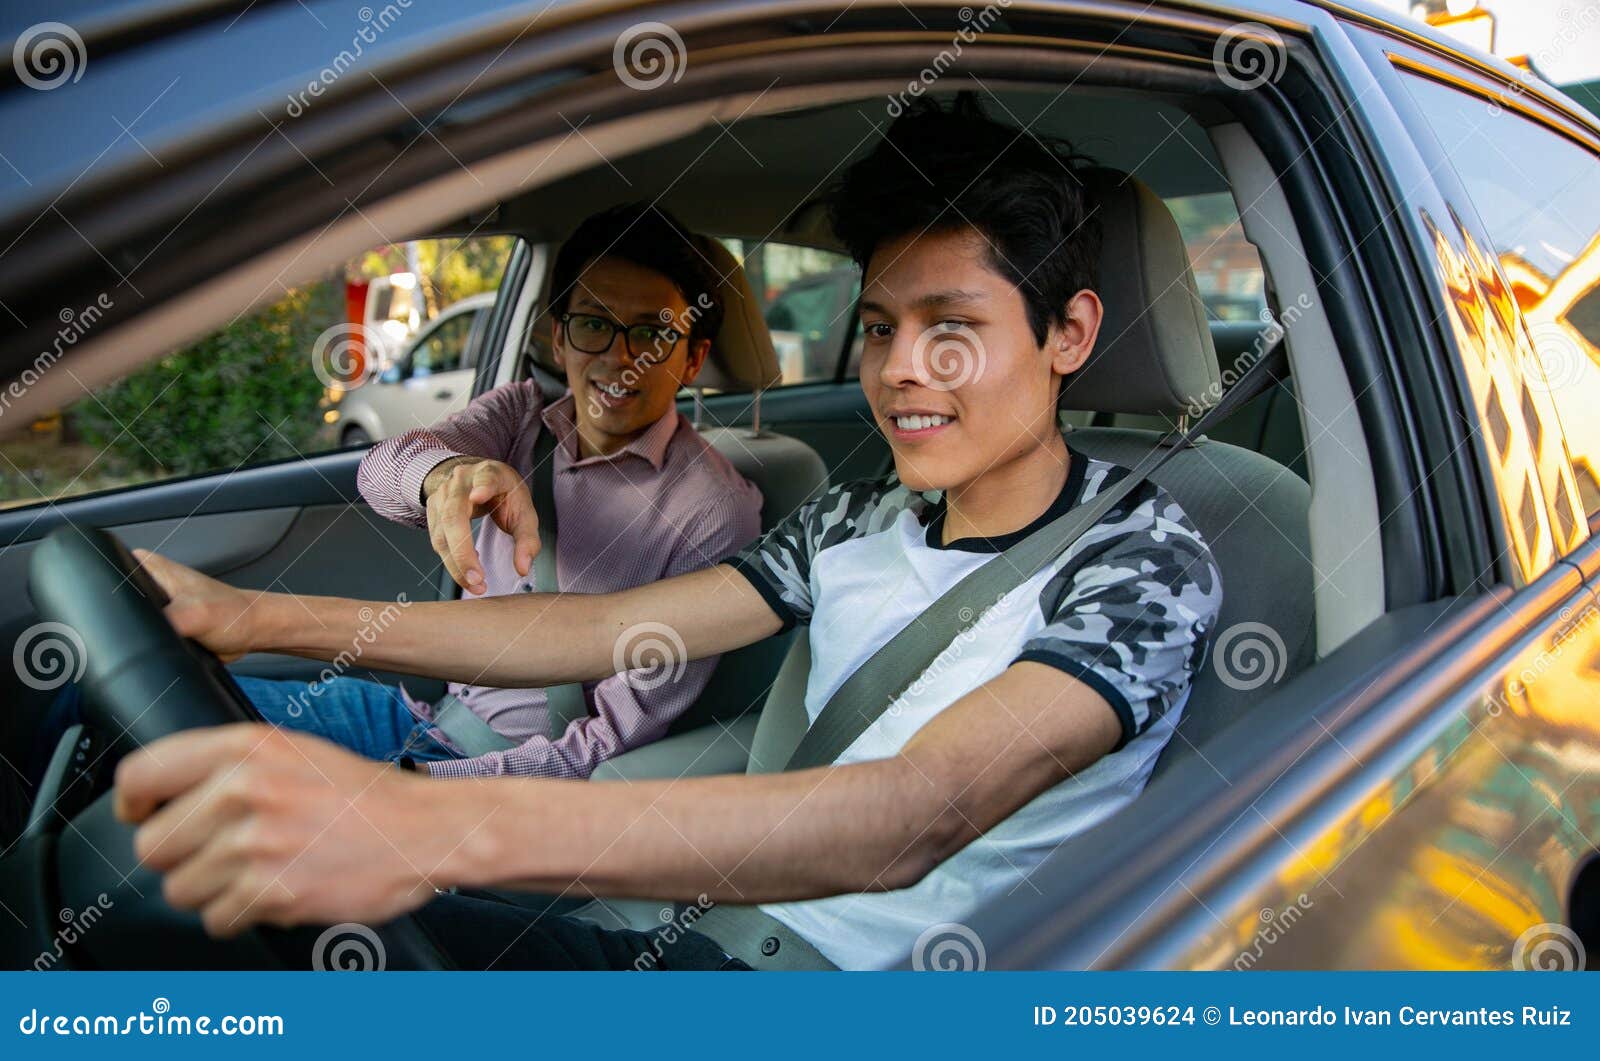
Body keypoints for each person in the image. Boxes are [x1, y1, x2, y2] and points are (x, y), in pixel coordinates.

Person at [114, 94, 1224, 970]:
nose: (897, 370)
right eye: (881, 326)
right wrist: (254, 616)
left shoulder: (1141, 559)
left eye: (952, 329)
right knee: (210, 929)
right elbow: (597, 630)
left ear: (1068, 332)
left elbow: (911, 815)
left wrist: (422, 821)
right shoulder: (856, 517)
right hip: (705, 936)